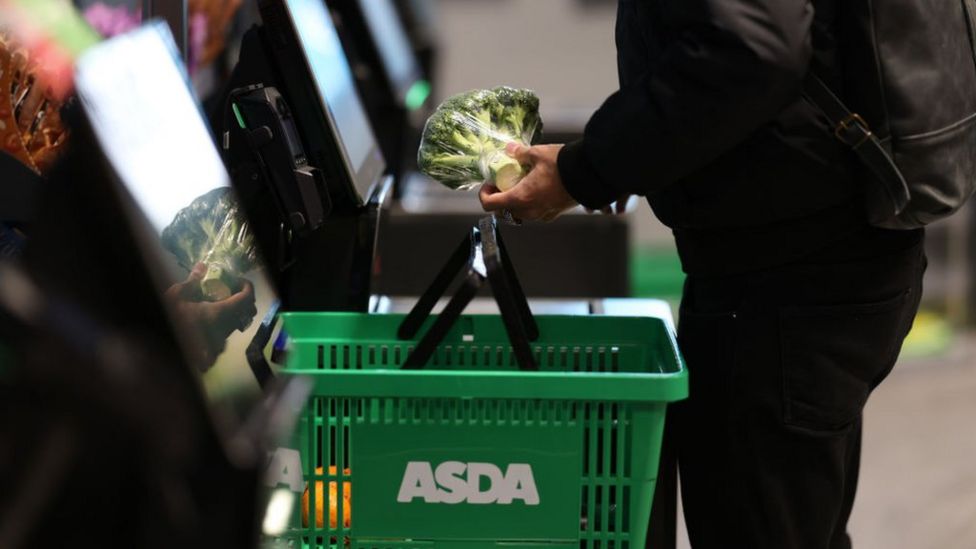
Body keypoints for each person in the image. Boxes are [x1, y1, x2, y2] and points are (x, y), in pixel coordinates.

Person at [479, 2, 926, 548]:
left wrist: (586, 170)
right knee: (802, 520)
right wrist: (630, 155)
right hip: (828, 252)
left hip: (785, 280)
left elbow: (752, 48)